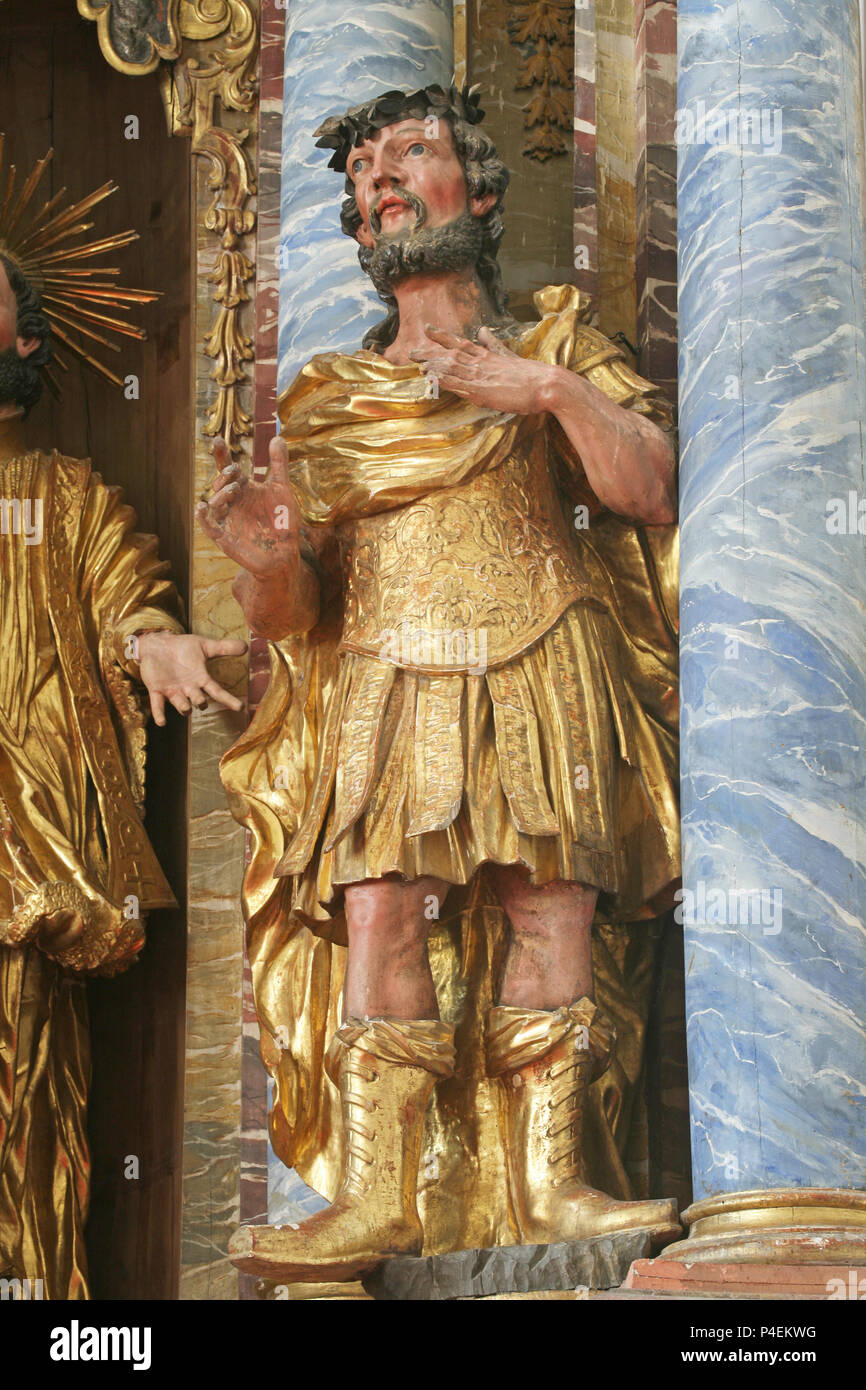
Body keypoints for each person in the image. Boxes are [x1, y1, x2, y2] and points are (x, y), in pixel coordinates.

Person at [203, 84, 681, 1281]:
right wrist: (264, 570)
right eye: (364, 178)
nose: (382, 183)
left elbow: (646, 490)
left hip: (536, 640)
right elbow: (296, 615)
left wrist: (550, 395)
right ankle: (374, 1193)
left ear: (472, 185)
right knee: (381, 911)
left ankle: (553, 1179)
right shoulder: (326, 398)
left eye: (408, 155)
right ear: (362, 235)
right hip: (381, 665)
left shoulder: (561, 342)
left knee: (546, 902)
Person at [0, 167, 246, 1298]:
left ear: (22, 339)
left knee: (20, 1081)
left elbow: (123, 590)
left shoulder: (58, 491)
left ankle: (34, 1295)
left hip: (19, 844)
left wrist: (153, 640)